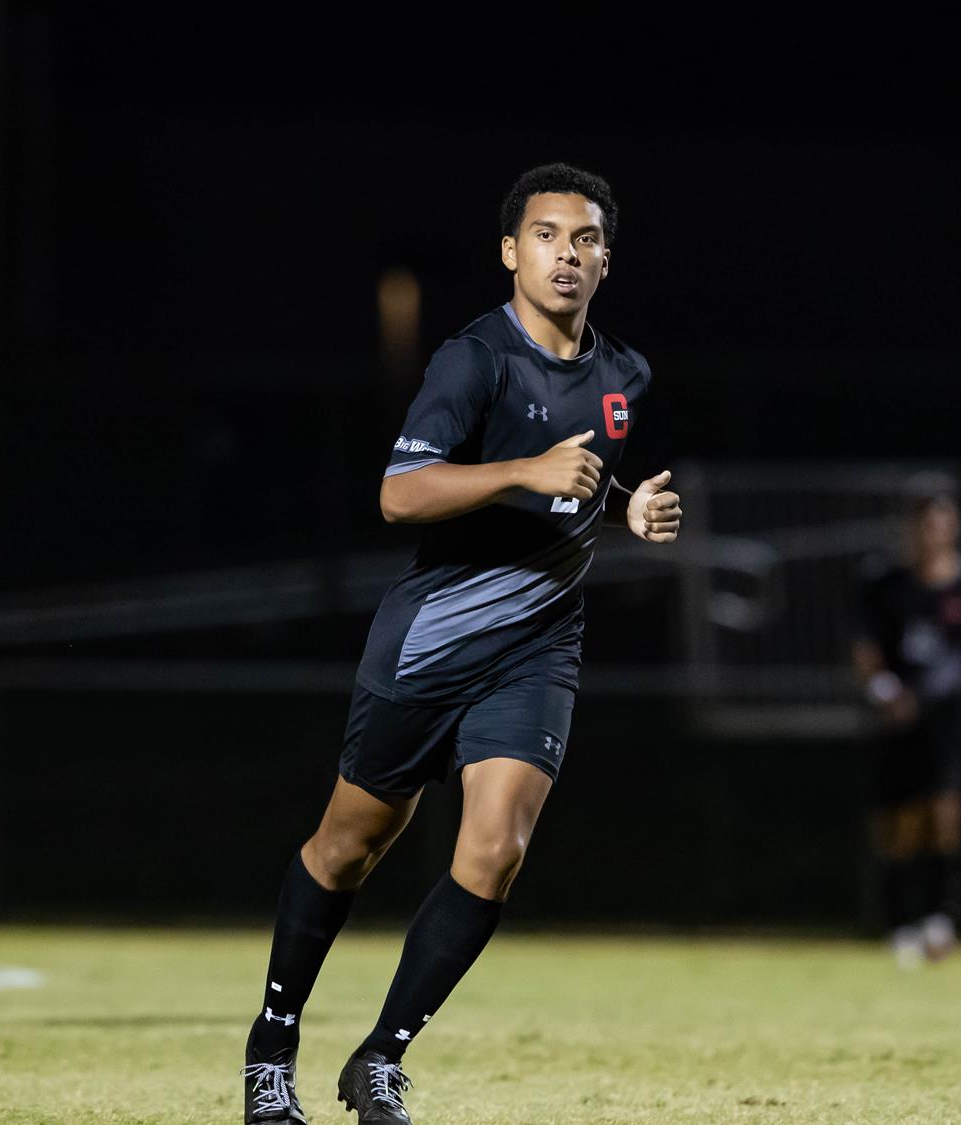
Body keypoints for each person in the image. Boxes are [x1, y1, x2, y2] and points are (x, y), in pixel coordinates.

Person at [238, 163, 681, 1124]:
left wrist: (624, 509)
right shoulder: (473, 359)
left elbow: (576, 483)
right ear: (511, 252)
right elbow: (402, 494)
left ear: (608, 258)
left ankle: (380, 1058)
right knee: (348, 846)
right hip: (434, 638)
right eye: (549, 235)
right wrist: (526, 469)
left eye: (587, 238)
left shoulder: (624, 374)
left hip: (541, 644)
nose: (568, 253)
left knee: (495, 849)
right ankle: (272, 1044)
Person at [851, 482, 961, 968]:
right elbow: (864, 647)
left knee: (945, 818)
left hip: (946, 715)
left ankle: (940, 920)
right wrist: (884, 691)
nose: (934, 531)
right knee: (902, 827)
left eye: (942, 521)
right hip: (896, 716)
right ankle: (900, 924)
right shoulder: (885, 581)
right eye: (925, 522)